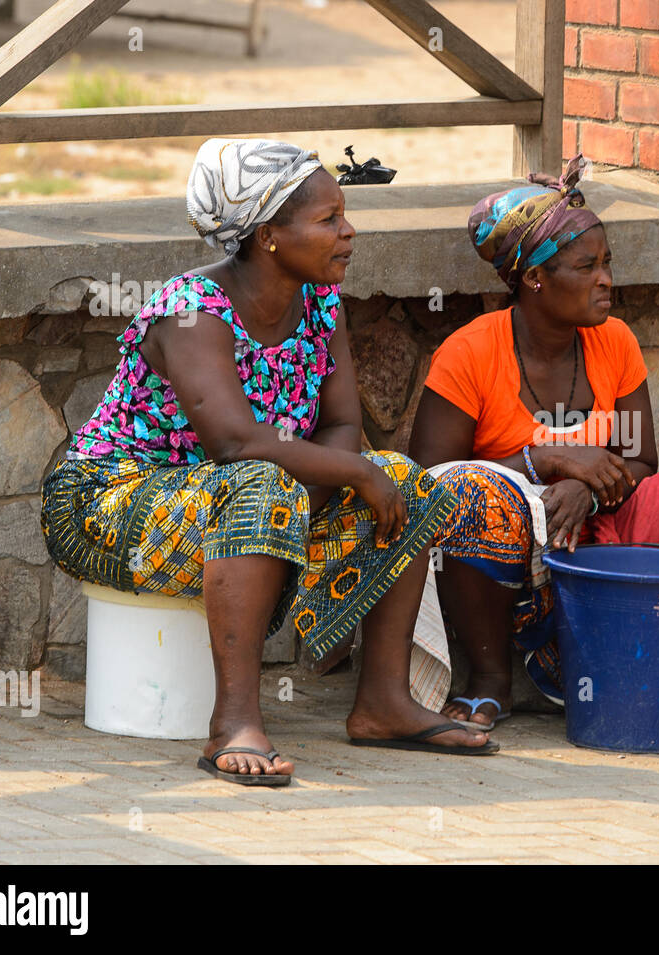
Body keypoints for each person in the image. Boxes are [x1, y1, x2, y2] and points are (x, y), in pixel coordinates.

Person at [41, 138, 496, 787]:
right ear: (267, 235)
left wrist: (351, 476)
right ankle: (232, 721)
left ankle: (384, 702)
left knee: (402, 479)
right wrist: (346, 475)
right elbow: (235, 442)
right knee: (268, 484)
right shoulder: (192, 311)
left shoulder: (320, 304)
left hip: (236, 490)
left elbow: (340, 422)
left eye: (343, 214)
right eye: (328, 219)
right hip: (109, 502)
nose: (348, 231)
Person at [409, 155, 659, 734]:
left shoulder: (616, 342)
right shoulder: (470, 353)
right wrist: (545, 462)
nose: (608, 279)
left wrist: (585, 485)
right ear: (534, 278)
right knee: (473, 495)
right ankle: (488, 682)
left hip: (602, 536)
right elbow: (428, 483)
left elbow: (643, 462)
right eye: (588, 267)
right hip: (521, 558)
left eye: (608, 263)